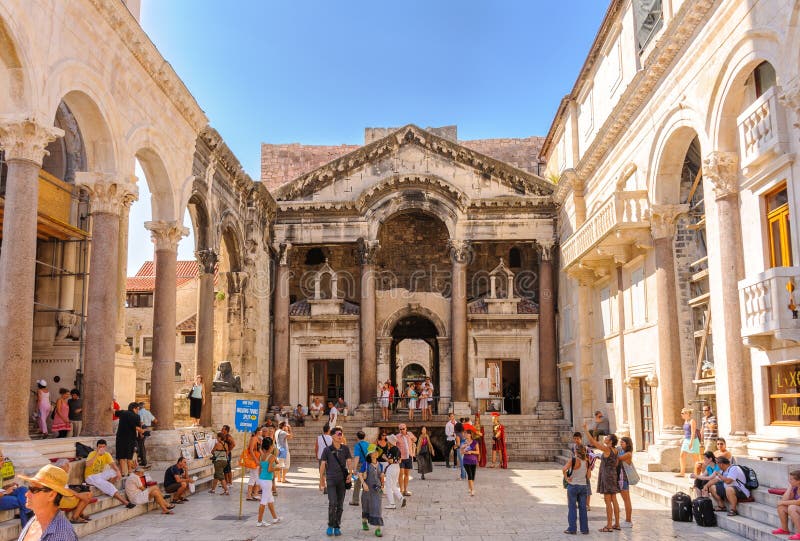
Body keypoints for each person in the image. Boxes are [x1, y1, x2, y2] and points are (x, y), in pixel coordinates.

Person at [17, 464, 77, 541]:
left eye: (34, 489)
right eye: (29, 488)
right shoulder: (36, 520)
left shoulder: (60, 534)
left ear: (51, 495)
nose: (27, 494)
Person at [585, 424, 620, 533]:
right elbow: (616, 462)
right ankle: (617, 524)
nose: (606, 438)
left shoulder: (607, 449)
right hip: (613, 475)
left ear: (610, 441)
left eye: (608, 437)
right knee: (614, 499)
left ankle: (609, 525)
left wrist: (585, 429)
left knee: (607, 501)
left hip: (607, 476)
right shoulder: (615, 450)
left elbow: (593, 442)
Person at [319, 426, 353, 537]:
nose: (340, 436)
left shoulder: (345, 448)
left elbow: (349, 461)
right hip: (331, 479)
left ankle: (337, 526)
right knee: (332, 503)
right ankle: (330, 525)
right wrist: (321, 480)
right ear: (332, 436)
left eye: (341, 434)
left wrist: (350, 473)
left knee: (340, 505)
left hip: (342, 481)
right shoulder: (327, 450)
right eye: (339, 434)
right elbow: (323, 464)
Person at [84, 440, 135, 509]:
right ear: (97, 447)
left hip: (100, 474)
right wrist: (97, 454)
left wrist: (118, 472)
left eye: (103, 447)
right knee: (108, 486)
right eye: (100, 447)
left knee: (114, 472)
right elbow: (87, 464)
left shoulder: (107, 454)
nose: (101, 448)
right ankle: (125, 502)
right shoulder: (92, 453)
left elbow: (113, 465)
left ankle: (106, 487)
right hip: (90, 476)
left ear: (105, 447)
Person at [52, 459, 94, 525]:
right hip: (62, 499)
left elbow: (66, 488)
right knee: (86, 497)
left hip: (64, 495)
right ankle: (75, 517)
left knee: (89, 494)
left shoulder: (60, 473)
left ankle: (79, 514)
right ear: (62, 466)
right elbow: (65, 490)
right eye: (67, 465)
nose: (69, 467)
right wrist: (78, 495)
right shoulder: (59, 475)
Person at [0, 448, 32, 527]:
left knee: (23, 489)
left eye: (3, 459)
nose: (3, 462)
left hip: (2, 494)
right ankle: (27, 525)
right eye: (1, 459)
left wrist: (8, 486)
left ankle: (28, 511)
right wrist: (6, 492)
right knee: (21, 501)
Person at [563, 443, 590, 535]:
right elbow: (589, 476)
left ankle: (572, 529)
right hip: (583, 486)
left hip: (573, 485)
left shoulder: (573, 460)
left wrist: (567, 478)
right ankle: (585, 529)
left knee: (572, 507)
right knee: (583, 508)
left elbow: (564, 469)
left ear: (575, 450)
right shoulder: (587, 461)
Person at [255, 437, 282, 527]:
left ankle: (275, 518)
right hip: (267, 481)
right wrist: (277, 468)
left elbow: (261, 467)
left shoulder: (262, 455)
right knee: (264, 501)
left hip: (262, 479)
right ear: (270, 446)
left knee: (270, 499)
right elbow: (270, 469)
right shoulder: (272, 457)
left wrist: (259, 478)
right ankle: (259, 521)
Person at [359, 445, 384, 538]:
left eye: (377, 452)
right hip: (367, 489)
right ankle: (364, 521)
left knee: (377, 508)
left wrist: (382, 480)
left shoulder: (380, 465)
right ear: (370, 454)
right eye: (374, 452)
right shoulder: (365, 464)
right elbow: (360, 474)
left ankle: (378, 529)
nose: (376, 453)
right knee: (366, 506)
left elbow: (381, 477)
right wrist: (364, 484)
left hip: (377, 490)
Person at [115, 402, 142, 476]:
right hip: (130, 438)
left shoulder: (123, 412)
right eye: (137, 409)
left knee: (121, 455)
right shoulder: (136, 416)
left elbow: (114, 412)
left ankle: (122, 472)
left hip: (120, 437)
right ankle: (130, 471)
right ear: (134, 408)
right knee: (129, 455)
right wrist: (142, 432)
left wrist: (111, 406)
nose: (138, 411)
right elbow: (138, 428)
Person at [773, 469, 800, 538]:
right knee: (781, 507)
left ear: (799, 481)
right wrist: (790, 486)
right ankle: (784, 529)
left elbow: (798, 502)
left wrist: (782, 502)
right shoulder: (795, 488)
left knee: (792, 507)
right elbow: (784, 499)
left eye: (791, 479)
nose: (789, 481)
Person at [616, 436, 635, 528]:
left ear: (627, 444)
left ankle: (628, 521)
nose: (620, 444)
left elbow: (618, 459)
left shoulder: (628, 454)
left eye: (622, 442)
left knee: (626, 500)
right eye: (620, 442)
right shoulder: (622, 451)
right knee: (625, 499)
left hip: (624, 478)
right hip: (620, 478)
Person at [677, 408, 701, 477]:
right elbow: (686, 432)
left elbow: (693, 433)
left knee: (695, 457)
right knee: (682, 455)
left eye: (682, 413)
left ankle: (697, 473)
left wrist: (691, 442)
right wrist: (682, 439)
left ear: (687, 414)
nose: (681, 414)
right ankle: (682, 473)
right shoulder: (686, 421)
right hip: (686, 440)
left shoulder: (692, 421)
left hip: (693, 440)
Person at [383, 435, 404, 509]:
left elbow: (391, 461)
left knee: (388, 486)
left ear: (390, 442)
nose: (386, 441)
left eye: (387, 440)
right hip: (397, 467)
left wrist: (384, 457)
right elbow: (400, 460)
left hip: (391, 468)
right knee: (393, 485)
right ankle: (401, 498)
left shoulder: (392, 449)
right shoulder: (398, 449)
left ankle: (392, 504)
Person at [396, 424, 416, 497]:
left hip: (409, 456)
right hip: (401, 458)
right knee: (401, 474)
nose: (402, 430)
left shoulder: (409, 434)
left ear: (406, 428)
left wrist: (411, 436)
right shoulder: (397, 437)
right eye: (400, 429)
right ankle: (401, 490)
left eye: (403, 429)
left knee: (407, 474)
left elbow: (415, 440)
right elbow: (393, 445)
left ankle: (405, 490)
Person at [350, 431, 369, 507]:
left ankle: (355, 500)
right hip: (367, 465)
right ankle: (367, 500)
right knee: (366, 482)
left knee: (357, 483)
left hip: (360, 465)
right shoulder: (368, 444)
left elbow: (357, 457)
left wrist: (354, 468)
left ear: (357, 437)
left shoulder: (357, 445)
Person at [136, 402, 157, 467]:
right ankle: (142, 460)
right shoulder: (148, 412)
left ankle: (143, 461)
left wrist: (141, 433)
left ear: (139, 407)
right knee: (142, 445)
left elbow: (141, 423)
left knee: (141, 445)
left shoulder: (139, 412)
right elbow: (155, 420)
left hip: (143, 429)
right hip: (148, 428)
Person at [460, 430, 480, 496]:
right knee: (470, 475)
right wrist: (465, 450)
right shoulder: (464, 442)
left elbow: (478, 452)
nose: (465, 435)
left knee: (473, 476)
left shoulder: (475, 442)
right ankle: (472, 490)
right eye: (464, 434)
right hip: (466, 461)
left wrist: (471, 451)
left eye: (466, 434)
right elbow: (461, 452)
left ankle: (470, 487)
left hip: (473, 461)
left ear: (470, 435)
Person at [315, 424, 333, 496]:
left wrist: (316, 455)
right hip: (329, 457)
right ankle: (328, 486)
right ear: (329, 430)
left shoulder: (318, 437)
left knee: (322, 472)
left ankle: (323, 485)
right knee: (329, 472)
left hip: (321, 457)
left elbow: (316, 447)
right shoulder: (331, 438)